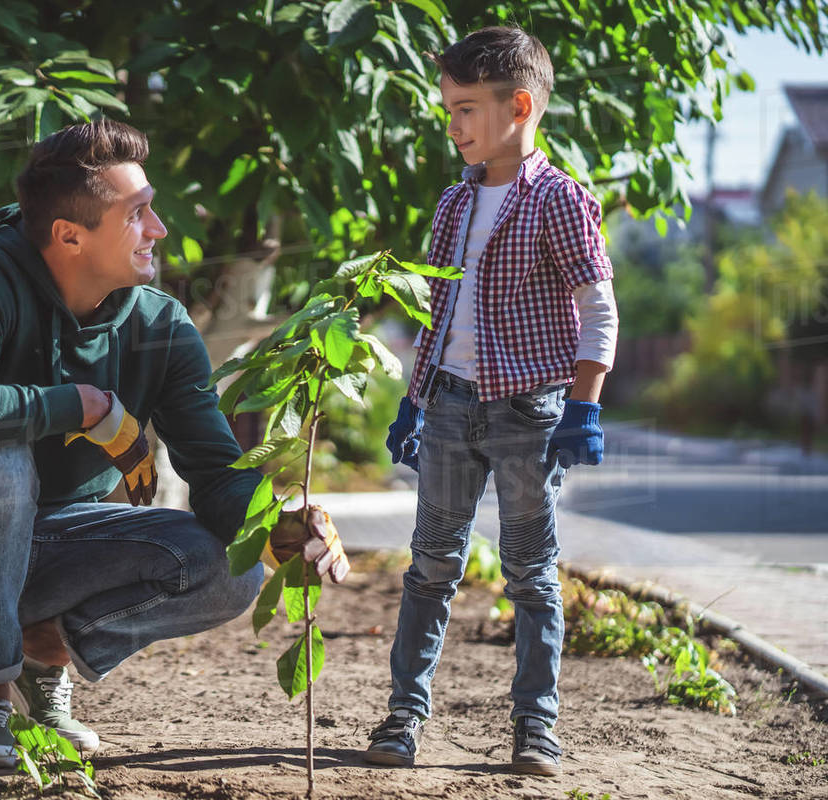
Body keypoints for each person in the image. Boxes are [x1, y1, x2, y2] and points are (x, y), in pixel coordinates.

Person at [0, 119, 348, 767]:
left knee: (224, 569)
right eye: (138, 213)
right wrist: (79, 405)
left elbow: (214, 473)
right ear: (70, 235)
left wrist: (274, 522)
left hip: (53, 547)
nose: (159, 230)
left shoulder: (160, 326)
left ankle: (44, 654)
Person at [367, 26, 619, 775]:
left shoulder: (560, 201)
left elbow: (599, 309)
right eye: (448, 107)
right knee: (430, 565)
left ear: (518, 105)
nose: (452, 123)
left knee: (531, 573)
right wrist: (413, 401)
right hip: (448, 405)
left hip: (528, 414)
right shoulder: (453, 203)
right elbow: (437, 316)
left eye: (466, 108)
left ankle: (535, 728)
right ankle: (403, 719)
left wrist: (584, 407)